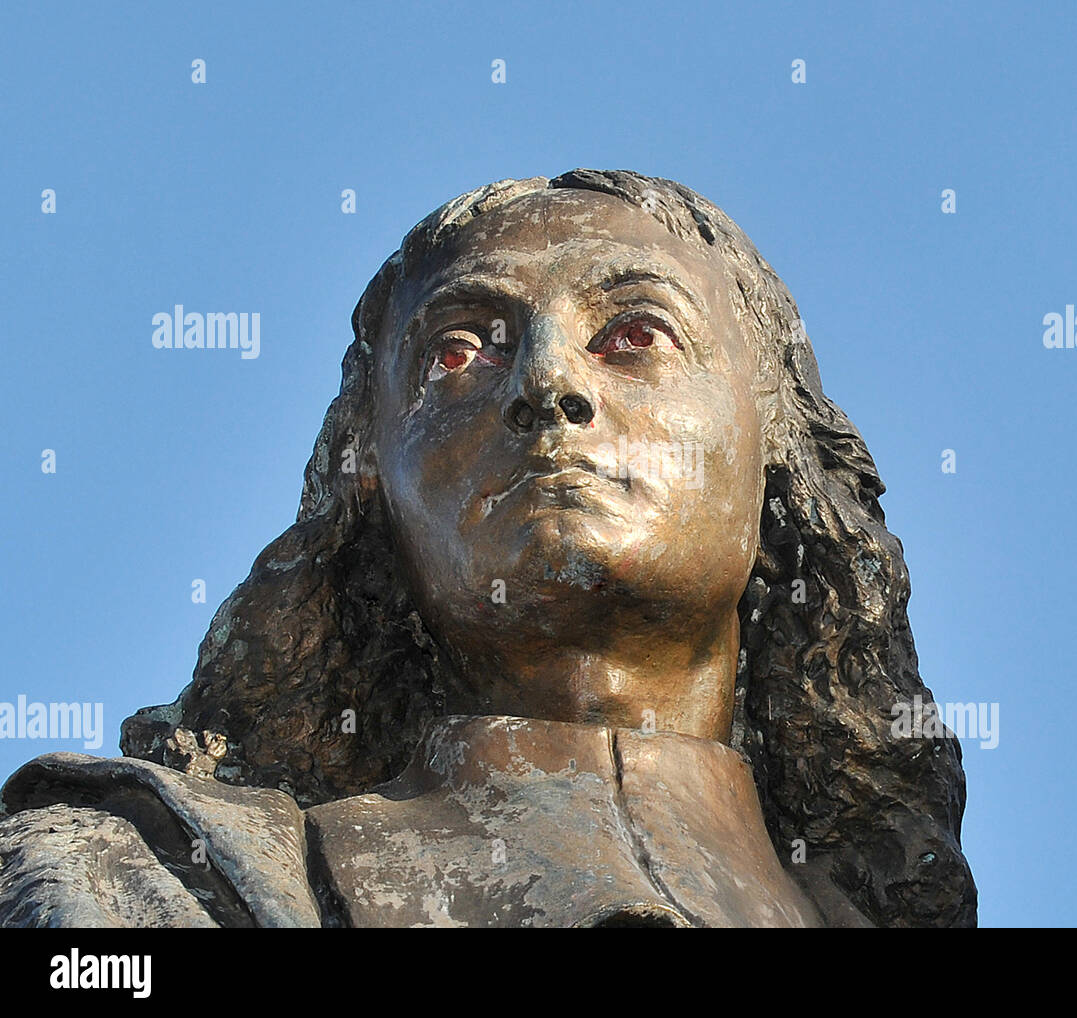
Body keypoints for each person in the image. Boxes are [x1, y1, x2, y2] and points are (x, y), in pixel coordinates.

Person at [0, 170, 976, 927]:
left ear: (777, 446)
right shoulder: (138, 883)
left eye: (635, 332)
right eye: (460, 349)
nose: (547, 383)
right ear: (366, 473)